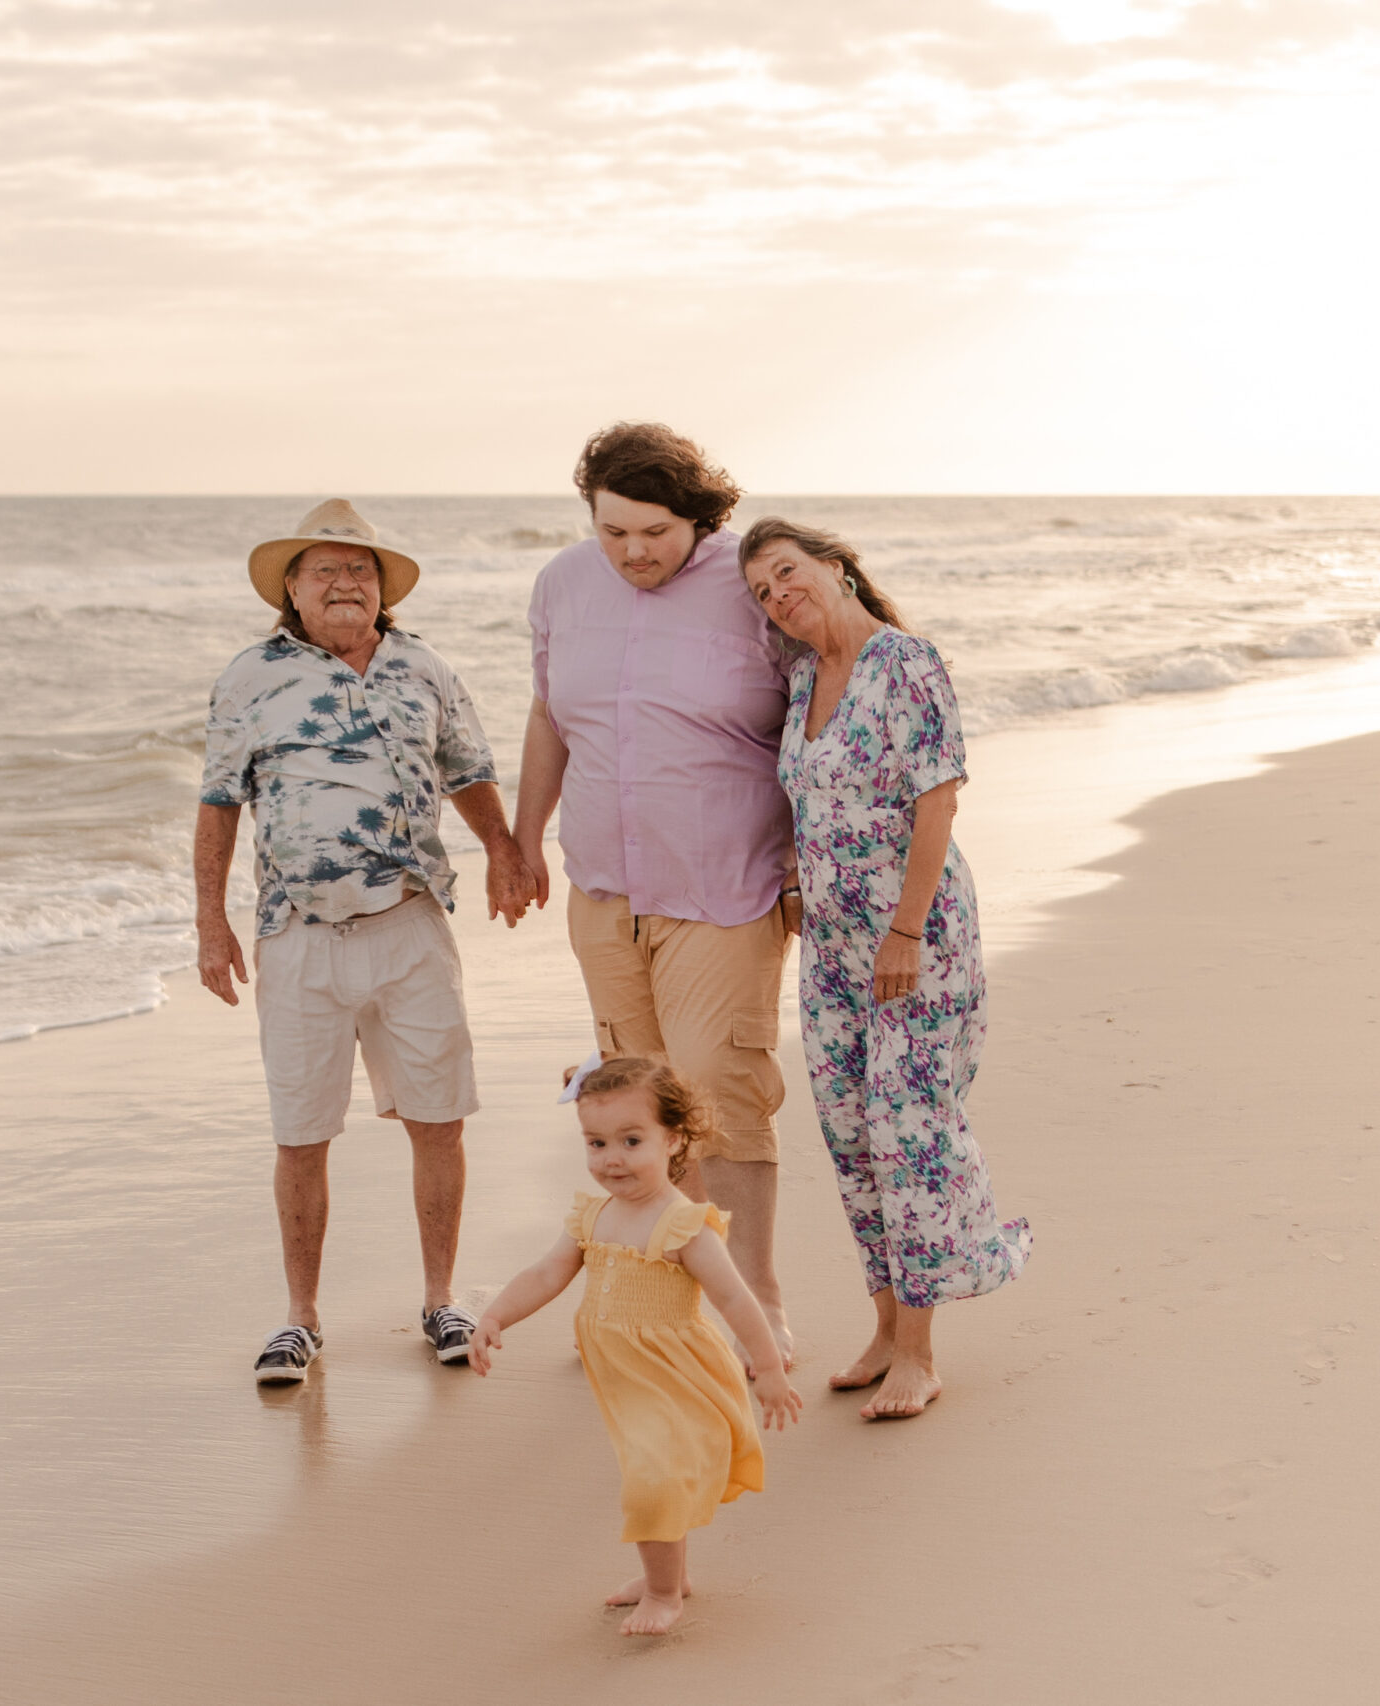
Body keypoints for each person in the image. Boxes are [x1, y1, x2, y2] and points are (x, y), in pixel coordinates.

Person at [196, 498, 524, 1385]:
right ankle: (300, 1319)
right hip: (298, 936)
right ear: (292, 590)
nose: (346, 584)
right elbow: (220, 801)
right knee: (301, 1134)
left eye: (362, 571)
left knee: (439, 1120)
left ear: (382, 591)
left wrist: (502, 849)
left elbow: (471, 771)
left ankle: (441, 1300)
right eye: (326, 571)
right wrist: (209, 920)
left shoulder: (424, 667)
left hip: (412, 924)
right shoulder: (250, 676)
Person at [509, 422, 800, 1367]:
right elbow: (551, 717)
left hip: (725, 886)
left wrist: (814, 862)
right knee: (629, 1112)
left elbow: (816, 710)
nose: (634, 552)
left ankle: (756, 1304)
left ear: (699, 518)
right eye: (614, 531)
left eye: (656, 533)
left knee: (718, 1093)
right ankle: (651, 1302)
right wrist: (521, 840)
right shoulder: (560, 584)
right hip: (602, 888)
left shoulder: (752, 585)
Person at [738, 517, 1031, 1420]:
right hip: (830, 944)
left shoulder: (904, 661)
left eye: (788, 572)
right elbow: (804, 802)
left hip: (917, 934)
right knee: (852, 1133)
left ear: (834, 566)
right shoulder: (799, 678)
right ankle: (881, 1329)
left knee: (912, 1131)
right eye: (761, 590)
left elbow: (936, 798)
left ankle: (919, 1352)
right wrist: (791, 887)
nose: (780, 594)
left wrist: (904, 932)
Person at [472, 1056, 801, 1637]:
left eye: (631, 1140)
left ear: (674, 1139)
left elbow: (736, 1300)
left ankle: (663, 1591)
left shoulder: (683, 1224)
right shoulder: (592, 1215)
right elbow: (547, 1273)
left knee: (652, 1479)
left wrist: (769, 1366)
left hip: (676, 1374)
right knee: (653, 1472)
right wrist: (496, 1314)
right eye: (596, 1143)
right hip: (624, 1377)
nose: (611, 1159)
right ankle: (669, 1572)